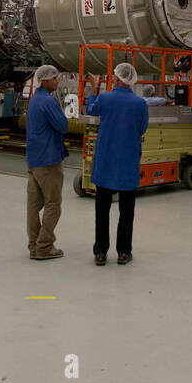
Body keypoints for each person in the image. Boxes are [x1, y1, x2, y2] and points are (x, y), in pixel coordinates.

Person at [85, 62, 148, 265]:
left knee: (102, 211)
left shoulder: (105, 98)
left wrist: (94, 89)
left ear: (119, 78)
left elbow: (91, 111)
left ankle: (101, 253)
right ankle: (123, 252)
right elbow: (142, 127)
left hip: (106, 162)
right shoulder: (140, 104)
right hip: (128, 163)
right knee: (126, 212)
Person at [25, 64, 69, 261]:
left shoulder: (34, 99)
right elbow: (63, 125)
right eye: (54, 78)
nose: (57, 81)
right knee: (53, 204)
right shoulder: (48, 101)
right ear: (44, 81)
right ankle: (44, 247)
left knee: (33, 205)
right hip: (48, 160)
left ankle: (34, 244)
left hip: (33, 160)